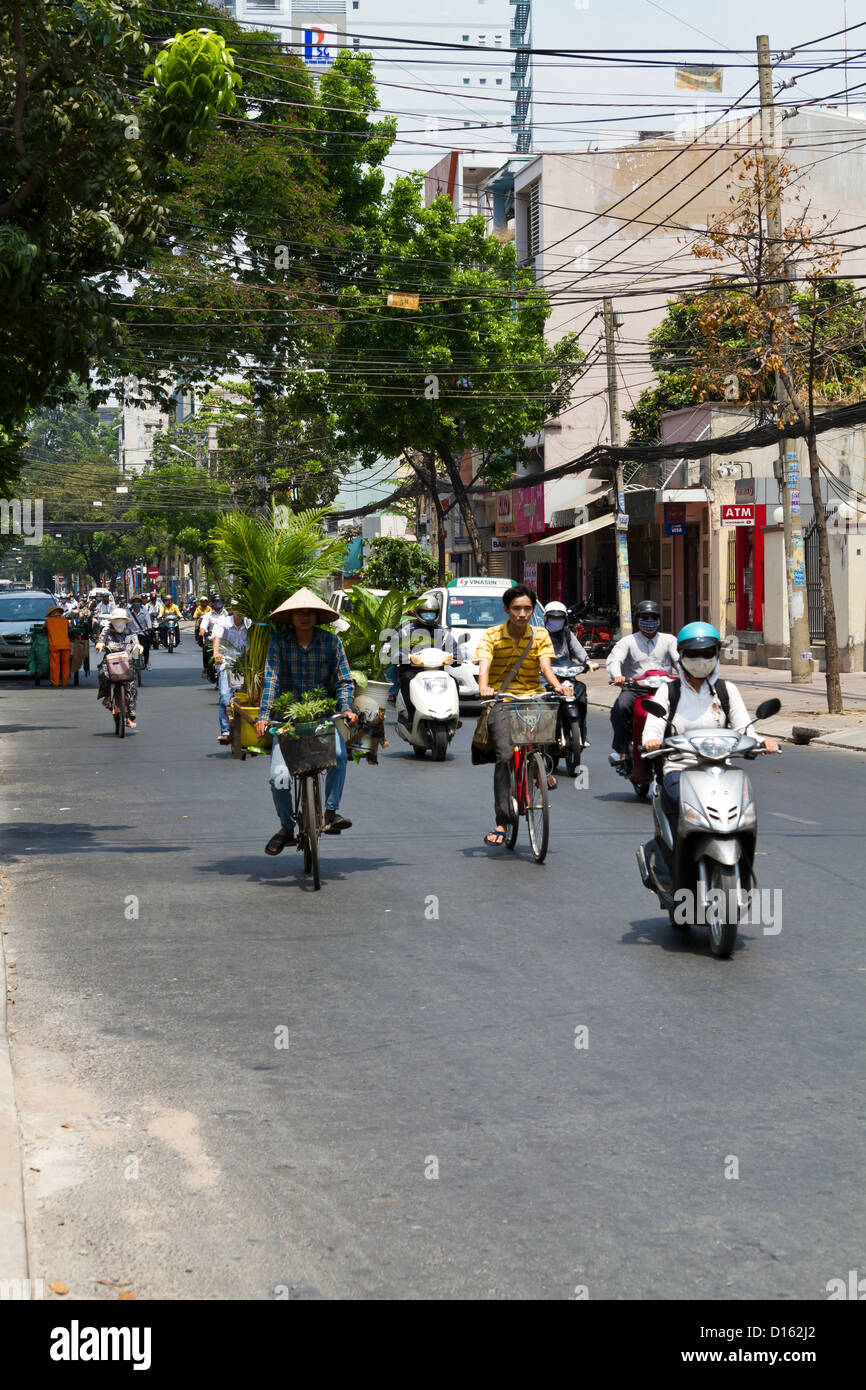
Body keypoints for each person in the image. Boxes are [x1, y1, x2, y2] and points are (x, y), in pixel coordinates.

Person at [255, 587, 359, 853]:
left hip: (322, 720)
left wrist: (346, 708)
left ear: (316, 616)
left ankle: (330, 812)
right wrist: (264, 716)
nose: (304, 616)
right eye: (299, 612)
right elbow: (272, 679)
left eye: (309, 612)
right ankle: (286, 827)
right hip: (287, 722)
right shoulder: (279, 643)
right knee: (278, 778)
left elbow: (344, 680)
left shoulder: (331, 643)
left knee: (339, 755)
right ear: (291, 616)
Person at [642, 623, 779, 814]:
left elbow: (745, 730)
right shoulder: (669, 691)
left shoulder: (726, 690)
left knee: (745, 806)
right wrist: (652, 741)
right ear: (681, 655)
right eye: (693, 653)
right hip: (680, 768)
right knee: (680, 804)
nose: (701, 659)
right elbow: (654, 725)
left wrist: (763, 742)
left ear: (716, 654)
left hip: (721, 770)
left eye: (707, 653)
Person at [476, 584, 570, 847]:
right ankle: (502, 820)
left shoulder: (540, 635)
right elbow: (484, 665)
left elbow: (545, 666)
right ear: (507, 609)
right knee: (505, 755)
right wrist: (484, 687)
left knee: (553, 721)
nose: (522, 613)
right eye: (516, 608)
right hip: (502, 701)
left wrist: (558, 685)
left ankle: (543, 768)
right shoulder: (491, 636)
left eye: (527, 608)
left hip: (533, 696)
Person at [606, 599, 678, 766]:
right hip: (635, 689)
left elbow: (679, 660)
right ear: (637, 619)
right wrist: (617, 676)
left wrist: (687, 675)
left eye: (653, 617)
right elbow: (614, 660)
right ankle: (622, 751)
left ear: (659, 619)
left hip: (664, 690)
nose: (650, 621)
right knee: (620, 708)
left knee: (683, 709)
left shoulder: (669, 640)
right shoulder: (627, 641)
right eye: (645, 617)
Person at [395, 596, 461, 724]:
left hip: (438, 673)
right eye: (425, 613)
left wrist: (454, 657)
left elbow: (457, 652)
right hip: (413, 672)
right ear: (418, 613)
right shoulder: (406, 632)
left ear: (437, 614)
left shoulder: (443, 633)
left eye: (432, 614)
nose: (428, 616)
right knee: (407, 680)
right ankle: (411, 716)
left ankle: (452, 716)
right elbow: (394, 653)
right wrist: (408, 658)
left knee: (454, 682)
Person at [95, 609, 142, 728]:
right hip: (110, 661)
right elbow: (101, 640)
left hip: (126, 661)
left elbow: (135, 641)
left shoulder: (130, 631)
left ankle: (130, 715)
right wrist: (100, 644)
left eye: (122, 621)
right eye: (117, 620)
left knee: (132, 686)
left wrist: (138, 646)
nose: (120, 623)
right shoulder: (106, 631)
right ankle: (106, 697)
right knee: (103, 674)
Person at [212, 598, 250, 744]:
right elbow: (217, 638)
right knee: (224, 695)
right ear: (233, 609)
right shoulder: (224, 622)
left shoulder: (250, 623)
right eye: (237, 608)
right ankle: (225, 730)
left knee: (246, 698)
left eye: (242, 607)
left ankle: (248, 729)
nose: (239, 611)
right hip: (228, 662)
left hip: (245, 665)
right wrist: (216, 653)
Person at [44, 605, 72, 687]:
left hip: (54, 646)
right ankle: (65, 683)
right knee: (65, 665)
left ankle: (55, 683)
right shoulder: (65, 621)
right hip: (65, 646)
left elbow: (43, 628)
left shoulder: (48, 621)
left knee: (55, 665)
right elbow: (70, 628)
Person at [198, 594, 224, 678]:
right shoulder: (208, 615)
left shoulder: (227, 615)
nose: (217, 603)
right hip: (212, 639)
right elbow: (203, 625)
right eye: (215, 601)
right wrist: (203, 631)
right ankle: (206, 668)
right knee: (205, 648)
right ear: (212, 603)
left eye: (219, 601)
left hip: (224, 641)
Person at [127, 594, 152, 665]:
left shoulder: (145, 611)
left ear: (140, 603)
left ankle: (147, 662)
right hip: (131, 634)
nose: (136, 603)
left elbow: (148, 621)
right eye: (134, 601)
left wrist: (149, 627)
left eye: (138, 601)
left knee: (146, 647)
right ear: (132, 603)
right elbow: (125, 621)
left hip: (142, 633)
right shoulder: (128, 612)